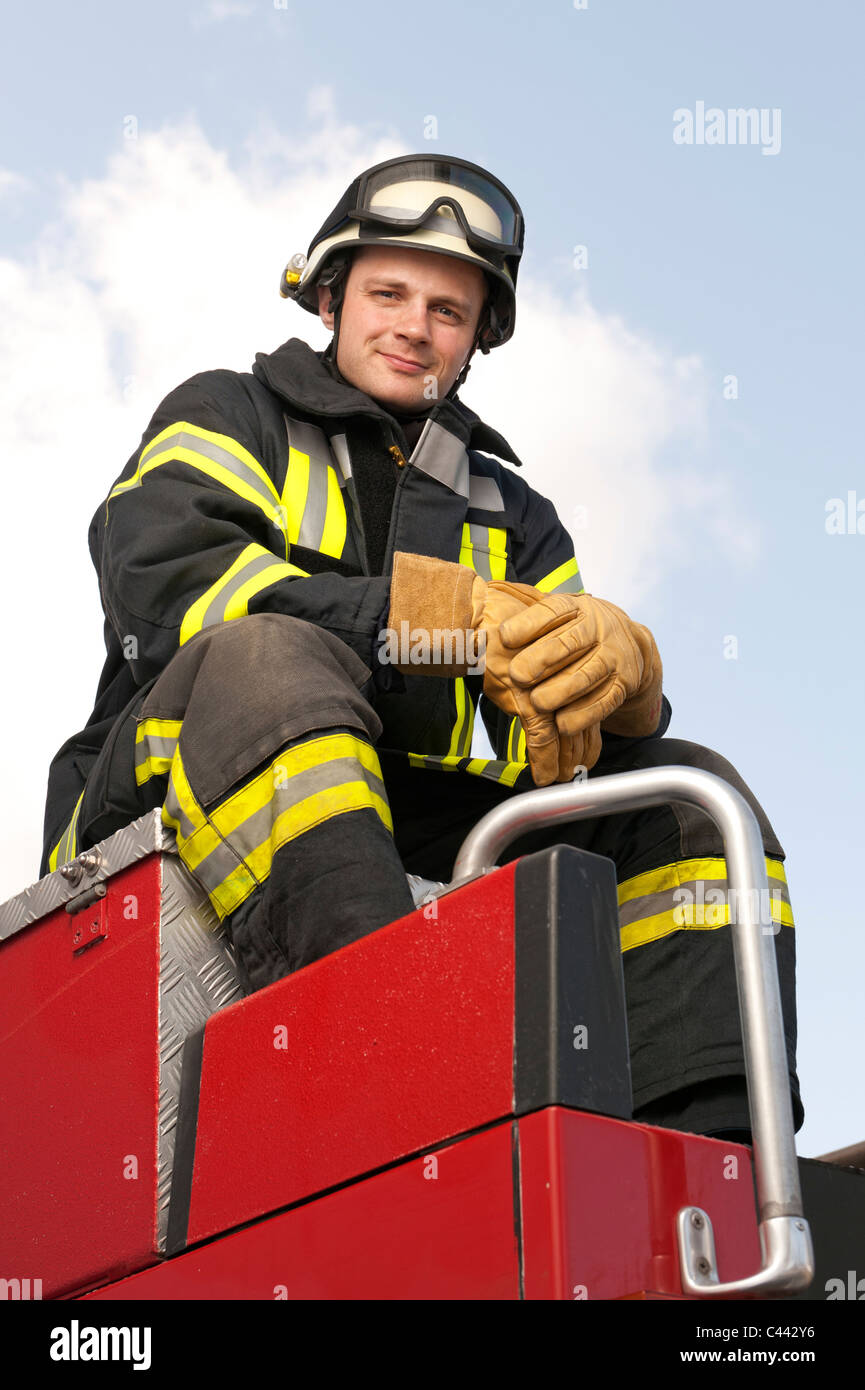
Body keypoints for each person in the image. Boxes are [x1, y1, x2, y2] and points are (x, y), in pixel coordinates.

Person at [40, 154, 802, 1142]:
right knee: (270, 658)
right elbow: (170, 588)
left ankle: (710, 1165)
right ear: (328, 296)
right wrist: (437, 619)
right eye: (387, 291)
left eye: (448, 309)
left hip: (392, 824)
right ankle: (401, 1102)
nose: (412, 324)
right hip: (164, 793)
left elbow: (557, 739)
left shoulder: (511, 510)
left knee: (682, 797)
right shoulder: (227, 411)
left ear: (480, 336)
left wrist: (630, 686)